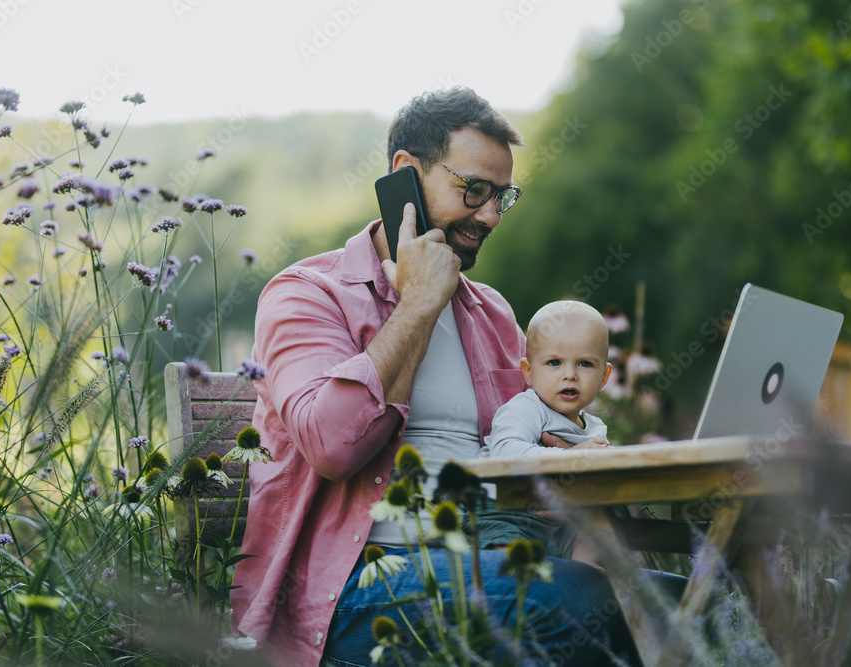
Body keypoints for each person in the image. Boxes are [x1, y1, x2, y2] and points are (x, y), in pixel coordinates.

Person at [230, 87, 653, 667]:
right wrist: (419, 302)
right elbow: (332, 447)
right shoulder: (307, 294)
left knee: (690, 595)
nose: (491, 215)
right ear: (406, 173)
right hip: (356, 593)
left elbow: (519, 452)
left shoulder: (492, 313)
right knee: (577, 600)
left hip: (487, 558)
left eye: (501, 195)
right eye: (473, 191)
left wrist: (567, 455)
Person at [478, 300, 614, 565]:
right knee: (513, 564)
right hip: (502, 515)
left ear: (604, 377)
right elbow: (504, 451)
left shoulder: (595, 429)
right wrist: (569, 457)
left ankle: (591, 583)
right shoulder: (528, 408)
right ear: (528, 371)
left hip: (558, 524)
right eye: (554, 362)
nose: (570, 375)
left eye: (585, 364)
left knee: (599, 539)